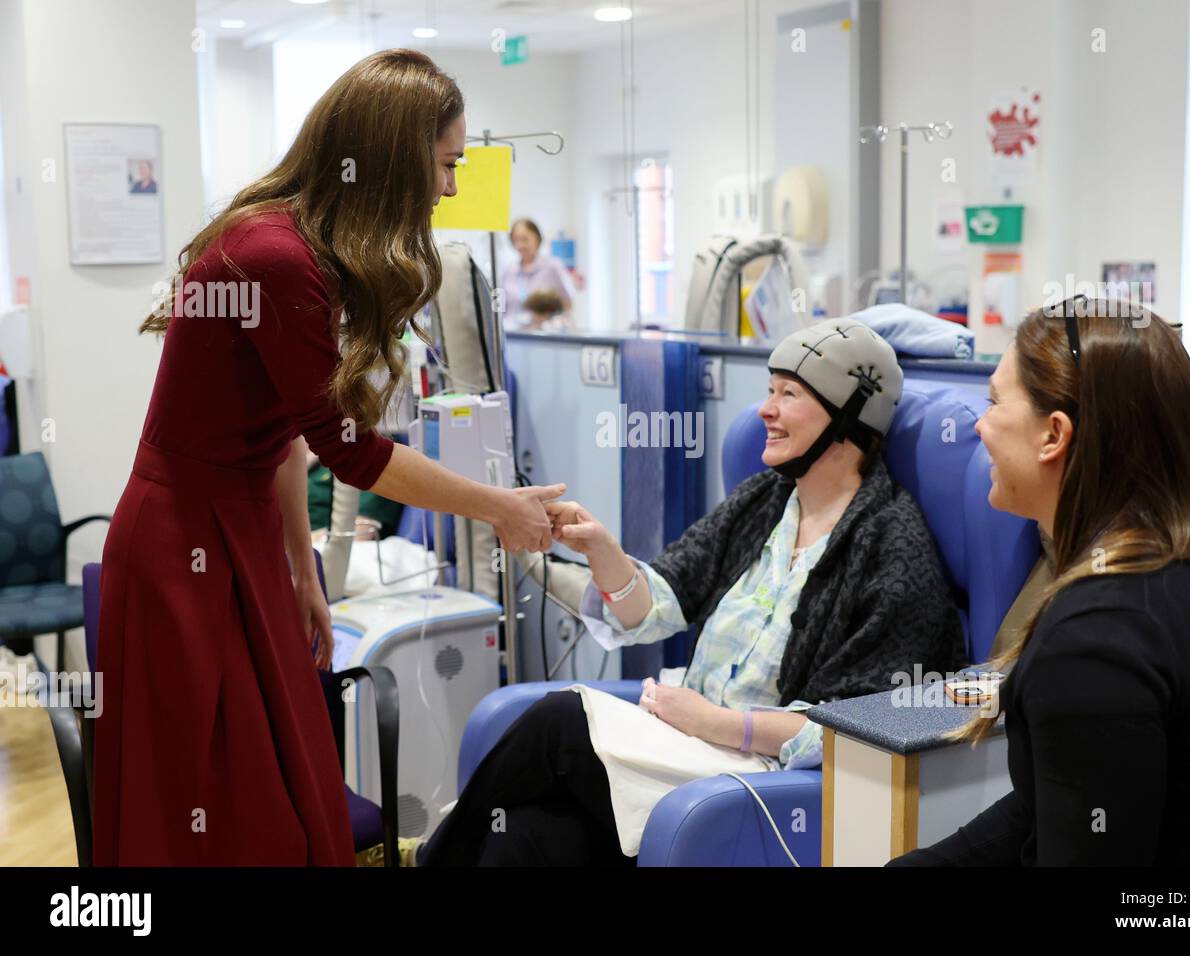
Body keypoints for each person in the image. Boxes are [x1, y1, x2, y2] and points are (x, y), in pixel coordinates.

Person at [96, 49, 564, 866]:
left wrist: (301, 571)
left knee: (279, 778)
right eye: (448, 163)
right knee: (216, 798)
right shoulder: (274, 257)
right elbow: (353, 454)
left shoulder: (301, 247)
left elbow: (282, 434)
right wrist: (501, 508)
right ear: (393, 152)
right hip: (183, 545)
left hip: (237, 526)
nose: (451, 187)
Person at [419, 317, 967, 866]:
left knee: (559, 722)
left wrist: (718, 723)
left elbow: (870, 725)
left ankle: (430, 860)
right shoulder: (765, 503)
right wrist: (601, 549)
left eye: (789, 394)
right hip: (686, 752)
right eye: (769, 390)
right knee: (517, 834)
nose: (765, 410)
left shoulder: (894, 547)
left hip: (760, 781)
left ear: (848, 418)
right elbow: (660, 603)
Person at [890, 297, 1190, 866]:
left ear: (1054, 435)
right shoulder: (1167, 567)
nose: (978, 425)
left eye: (995, 401)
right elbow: (1044, 809)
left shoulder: (1098, 636)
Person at [500, 218, 573, 331]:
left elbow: (567, 303)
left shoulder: (552, 267)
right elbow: (501, 308)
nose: (520, 245)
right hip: (513, 336)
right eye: (516, 240)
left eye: (525, 239)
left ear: (537, 238)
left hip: (543, 336)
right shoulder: (508, 271)